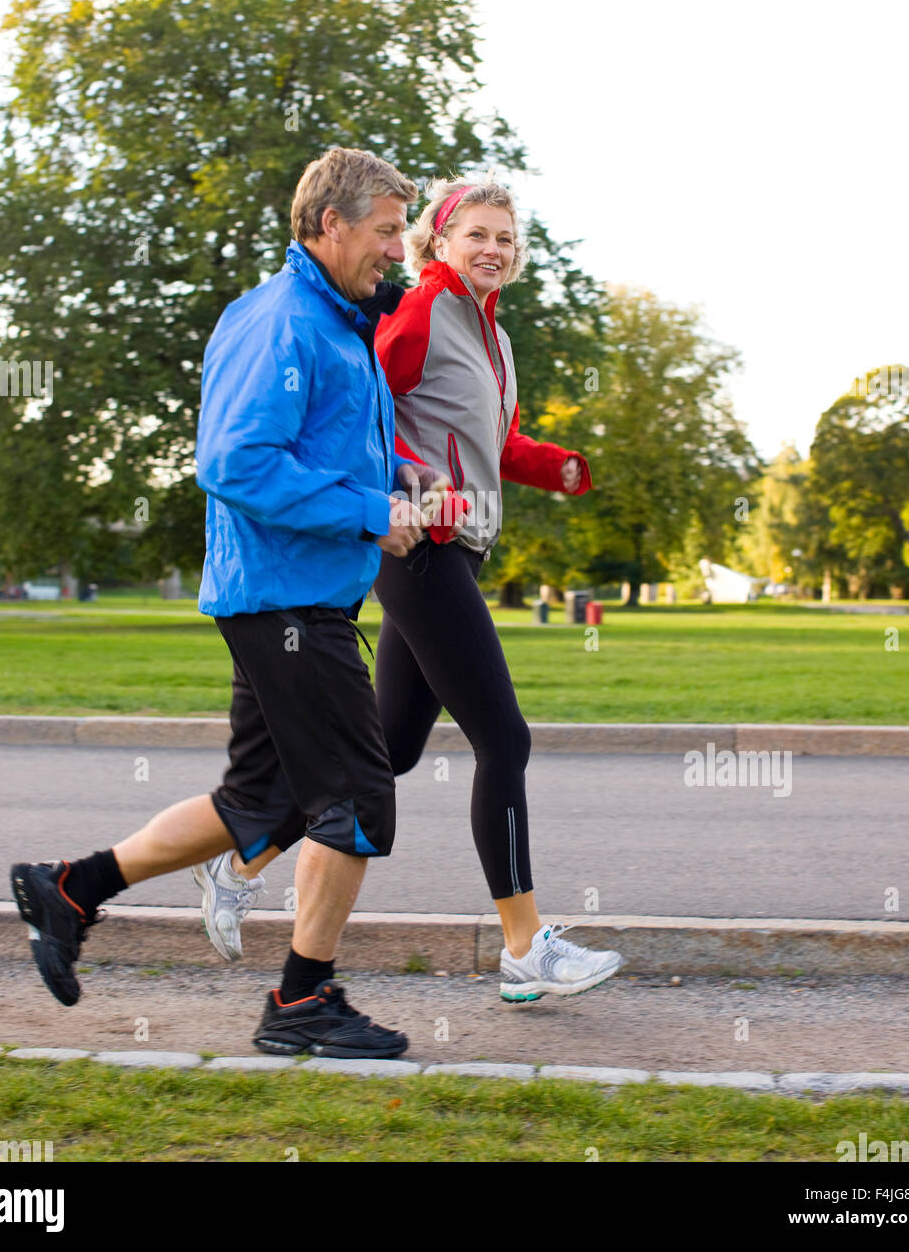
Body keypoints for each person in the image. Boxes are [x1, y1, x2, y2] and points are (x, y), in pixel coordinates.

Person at [11, 147, 435, 1057]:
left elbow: (324, 442)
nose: (398, 250)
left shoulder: (336, 321)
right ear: (331, 225)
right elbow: (235, 463)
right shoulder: (280, 320)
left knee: (260, 800)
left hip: (299, 594)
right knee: (358, 799)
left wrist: (398, 476)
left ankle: (72, 889)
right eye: (387, 232)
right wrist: (370, 514)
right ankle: (298, 1006)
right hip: (284, 602)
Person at [197, 176, 622, 1004]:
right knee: (505, 739)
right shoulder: (423, 309)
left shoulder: (487, 331)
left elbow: (487, 439)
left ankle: (241, 856)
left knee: (388, 752)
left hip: (454, 551)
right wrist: (404, 493)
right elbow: (360, 412)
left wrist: (551, 465)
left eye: (506, 236)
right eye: (476, 234)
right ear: (437, 242)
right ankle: (525, 948)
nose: (493, 248)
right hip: (418, 548)